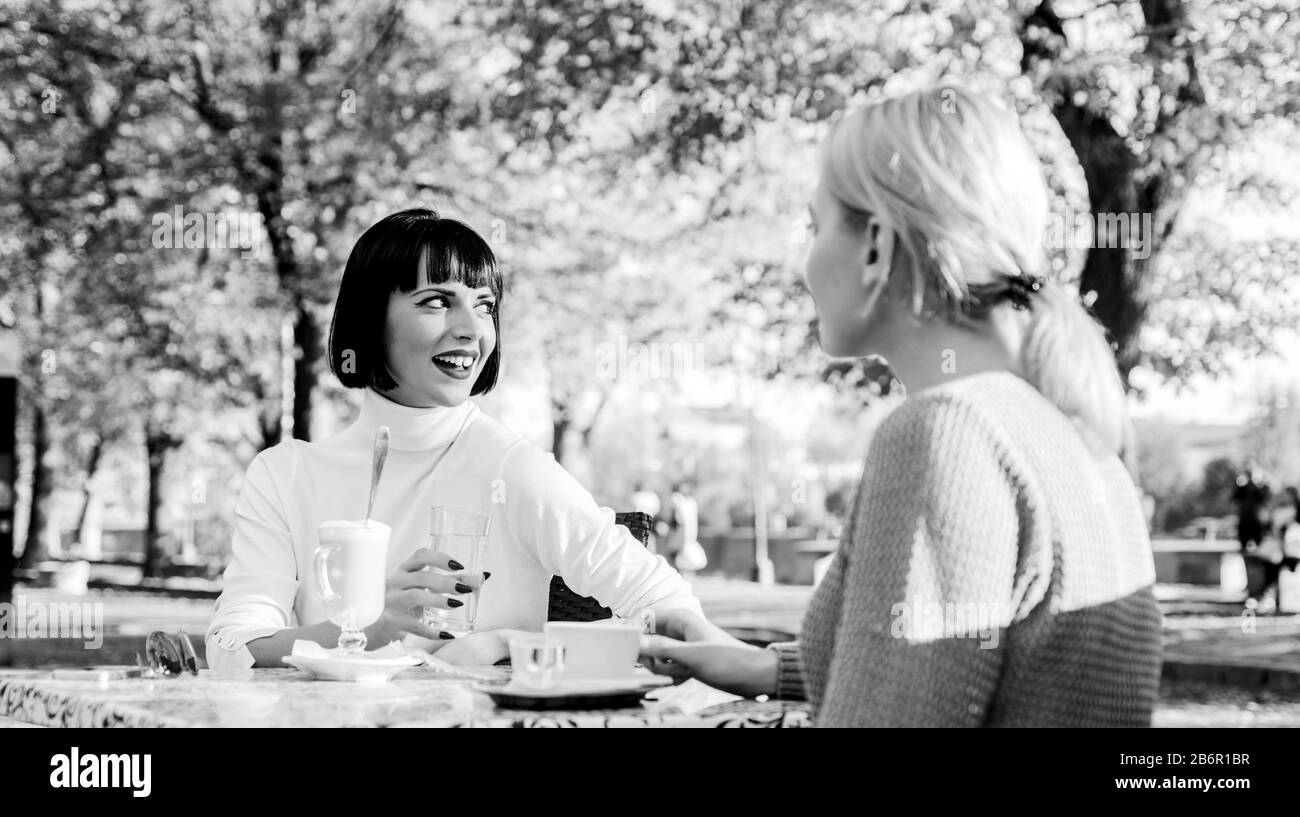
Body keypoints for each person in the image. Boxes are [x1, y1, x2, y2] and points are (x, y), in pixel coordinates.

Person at [640, 85, 1162, 726]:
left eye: (815, 225)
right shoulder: (1072, 432)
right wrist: (756, 666)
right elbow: (954, 661)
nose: (804, 264)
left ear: (876, 246)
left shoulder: (947, 434)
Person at [206, 209, 727, 669]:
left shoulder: (511, 468)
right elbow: (233, 645)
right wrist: (372, 631)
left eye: (483, 305)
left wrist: (505, 641)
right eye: (436, 301)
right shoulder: (285, 474)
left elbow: (671, 609)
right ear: (370, 318)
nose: (472, 330)